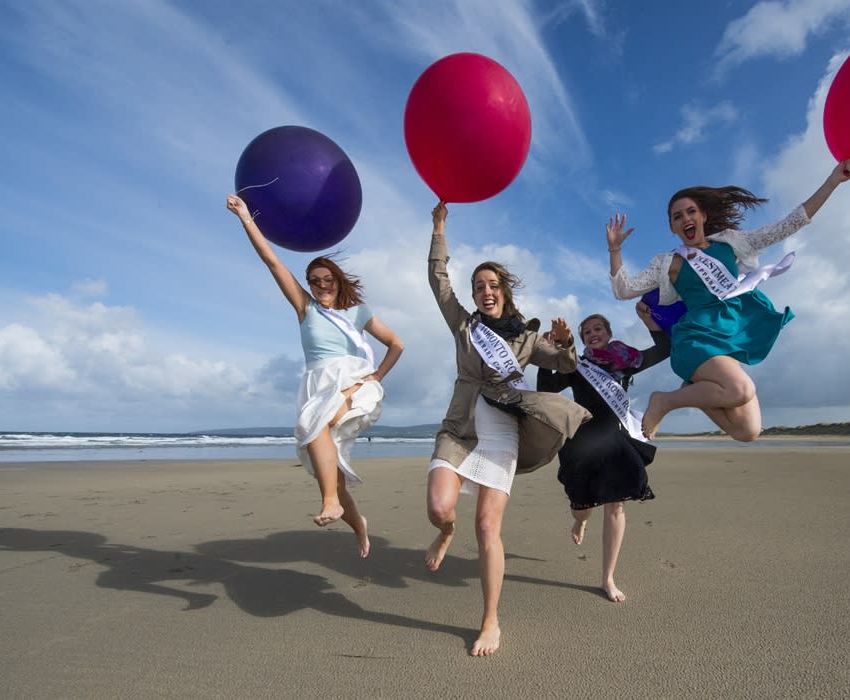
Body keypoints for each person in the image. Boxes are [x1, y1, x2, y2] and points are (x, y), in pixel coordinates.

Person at [426, 201, 590, 657]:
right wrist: (439, 228)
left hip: (501, 434)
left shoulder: (523, 338)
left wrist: (566, 343)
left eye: (492, 285)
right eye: (478, 286)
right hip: (459, 427)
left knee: (486, 528)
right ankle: (444, 532)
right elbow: (438, 280)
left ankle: (490, 621)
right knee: (440, 507)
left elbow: (563, 364)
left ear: (504, 292)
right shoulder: (464, 326)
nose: (485, 291)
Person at [606, 160, 850, 441]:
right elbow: (624, 290)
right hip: (696, 339)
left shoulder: (731, 243)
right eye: (677, 216)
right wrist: (615, 249)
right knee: (741, 391)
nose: (685, 218)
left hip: (726, 341)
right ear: (673, 227)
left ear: (702, 216)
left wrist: (833, 181)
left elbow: (789, 224)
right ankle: (664, 401)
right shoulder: (669, 263)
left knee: (747, 431)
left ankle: (692, 388)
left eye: (691, 211)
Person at [227, 194, 404, 557]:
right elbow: (273, 262)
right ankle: (356, 523)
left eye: (327, 279)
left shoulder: (357, 312)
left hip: (354, 385)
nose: (321, 284)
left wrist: (376, 379)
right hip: (317, 385)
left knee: (314, 423)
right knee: (333, 474)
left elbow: (396, 345)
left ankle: (328, 502)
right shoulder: (304, 307)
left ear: (338, 281)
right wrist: (247, 218)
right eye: (314, 280)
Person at [536, 303, 670, 602]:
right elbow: (545, 387)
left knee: (616, 506)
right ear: (582, 340)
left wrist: (649, 320)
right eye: (587, 332)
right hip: (583, 443)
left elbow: (664, 348)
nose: (593, 333)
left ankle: (608, 577)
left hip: (616, 442)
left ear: (608, 333)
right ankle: (580, 520)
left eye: (598, 328)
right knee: (582, 506)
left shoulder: (626, 359)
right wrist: (547, 353)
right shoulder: (576, 365)